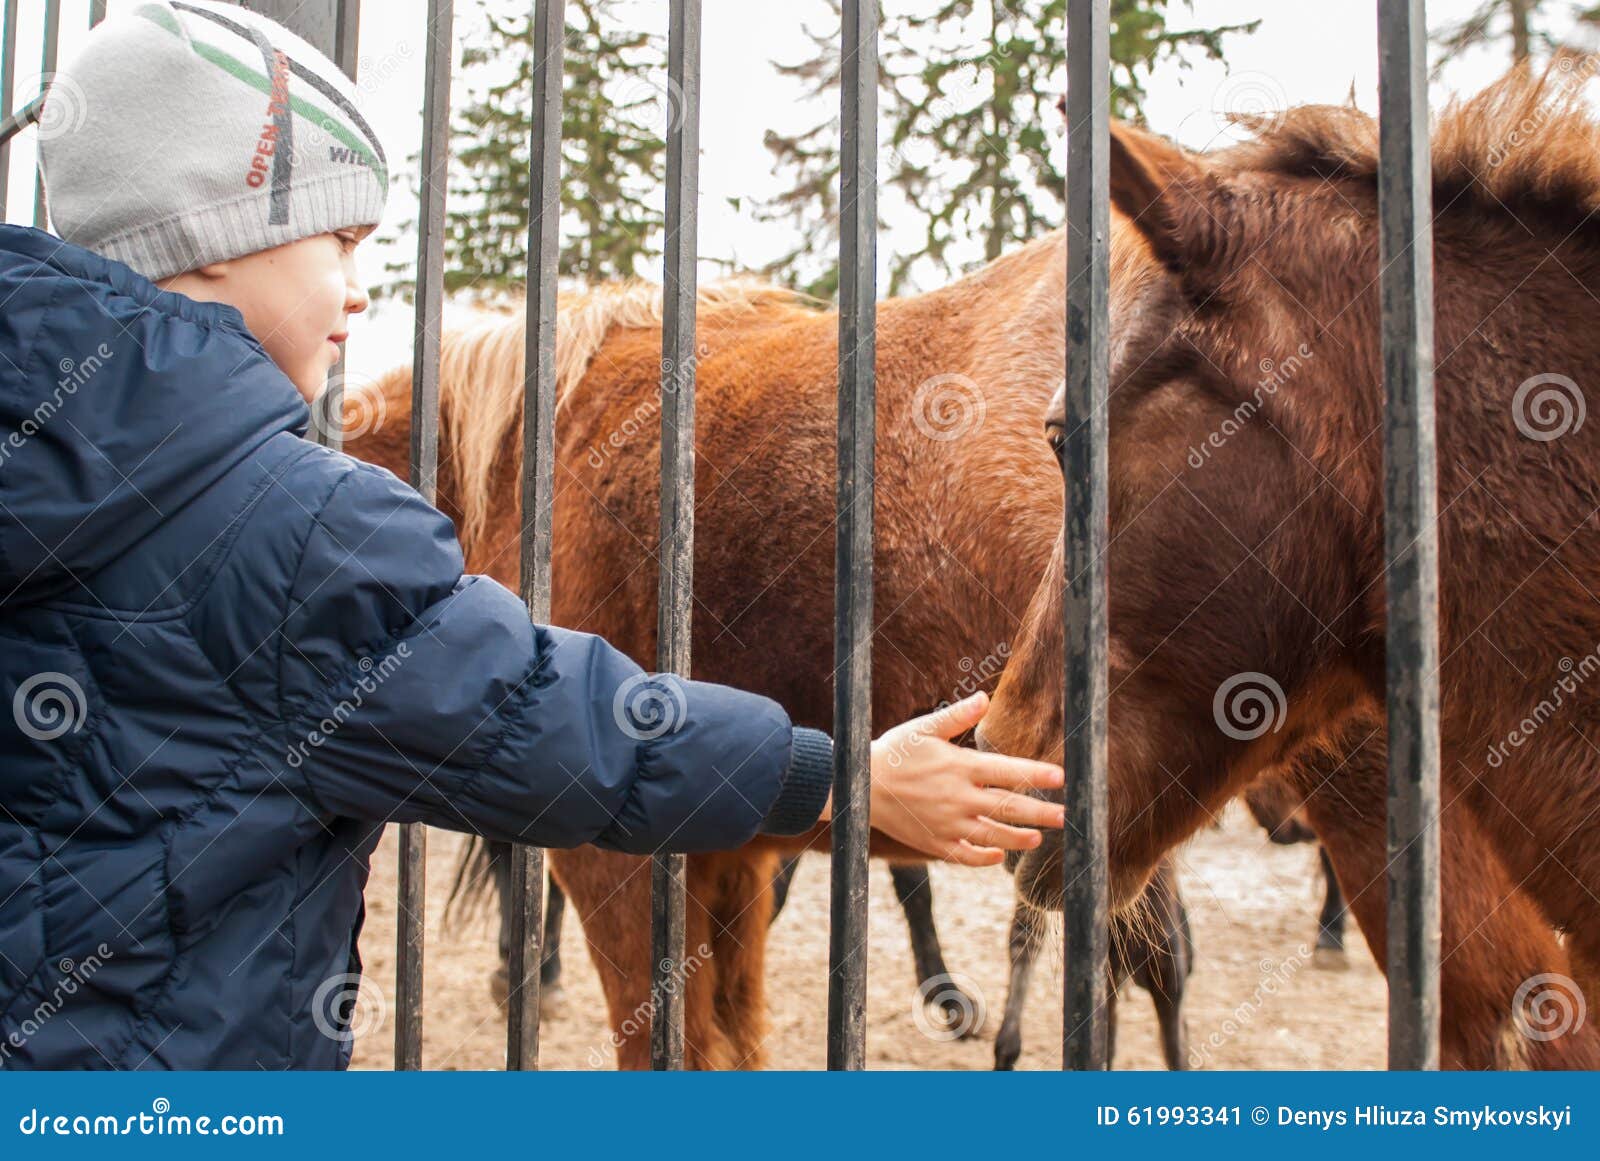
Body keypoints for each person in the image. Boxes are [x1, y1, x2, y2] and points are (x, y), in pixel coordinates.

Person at [0, 1, 1063, 1070]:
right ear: (215, 237)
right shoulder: (293, 525)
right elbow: (541, 722)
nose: (364, 289)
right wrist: (841, 782)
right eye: (339, 239)